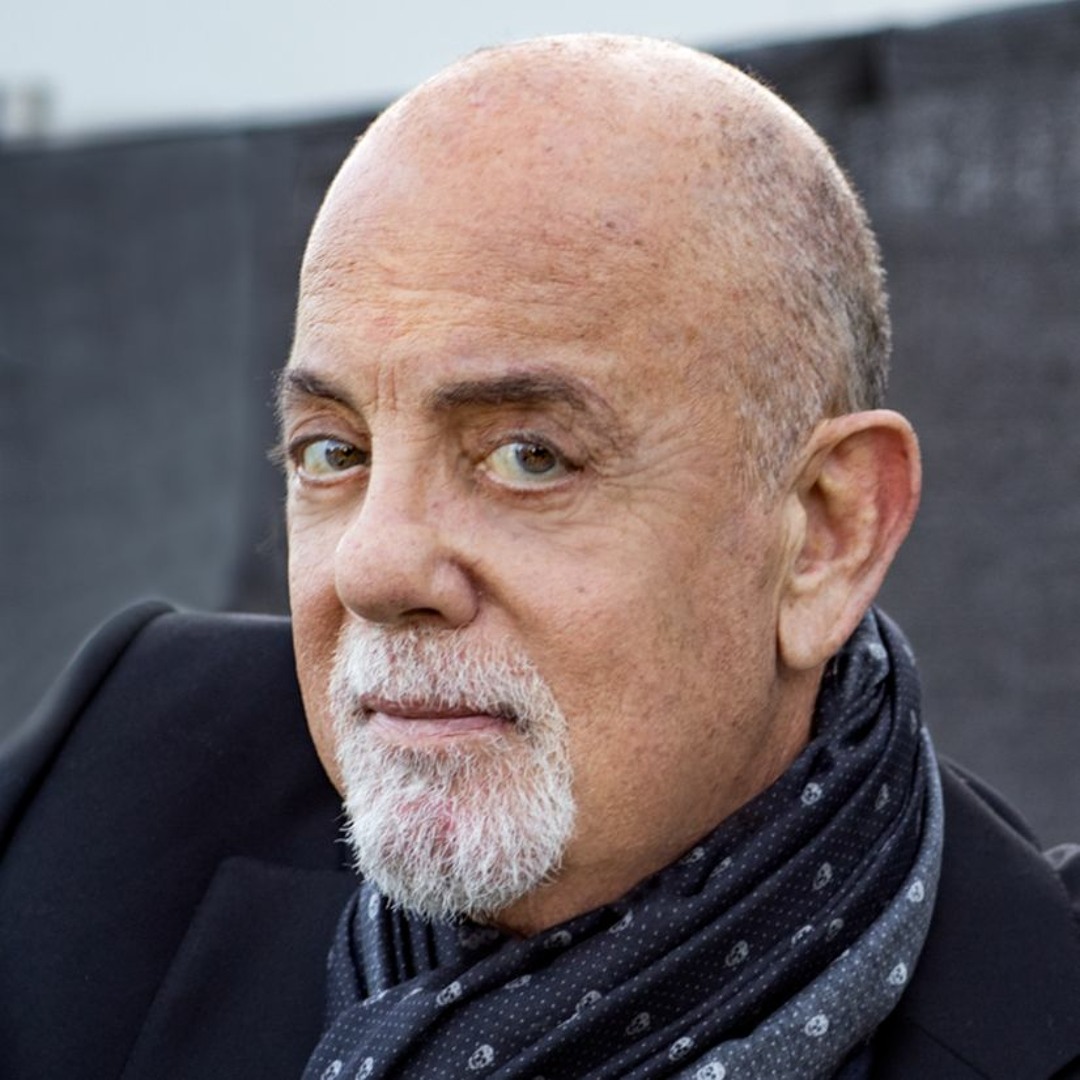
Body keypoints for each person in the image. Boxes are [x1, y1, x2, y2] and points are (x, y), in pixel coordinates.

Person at [2, 34, 1078, 1080]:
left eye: (529, 456)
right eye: (333, 451)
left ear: (827, 534)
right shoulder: (122, 776)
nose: (374, 570)